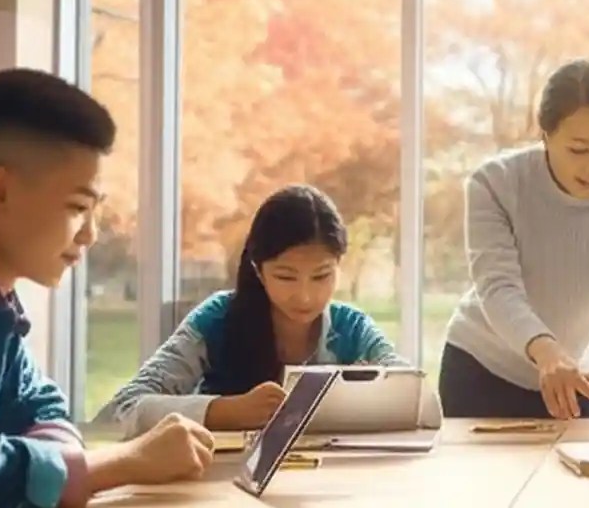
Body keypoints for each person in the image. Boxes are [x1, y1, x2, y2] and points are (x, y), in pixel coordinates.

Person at [0, 68, 214, 508]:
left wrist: (47, 467)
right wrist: (121, 463)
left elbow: (41, 409)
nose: (91, 233)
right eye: (77, 207)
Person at [439, 58, 589, 420]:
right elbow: (498, 287)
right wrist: (547, 352)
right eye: (579, 149)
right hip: (482, 372)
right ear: (545, 134)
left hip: (580, 377)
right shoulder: (494, 183)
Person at [102, 184, 421, 438]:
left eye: (322, 276)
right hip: (214, 486)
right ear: (258, 269)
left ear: (339, 266)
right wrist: (228, 411)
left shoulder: (351, 329)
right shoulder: (217, 320)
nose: (305, 296)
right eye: (285, 277)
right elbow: (127, 408)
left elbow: (414, 397)